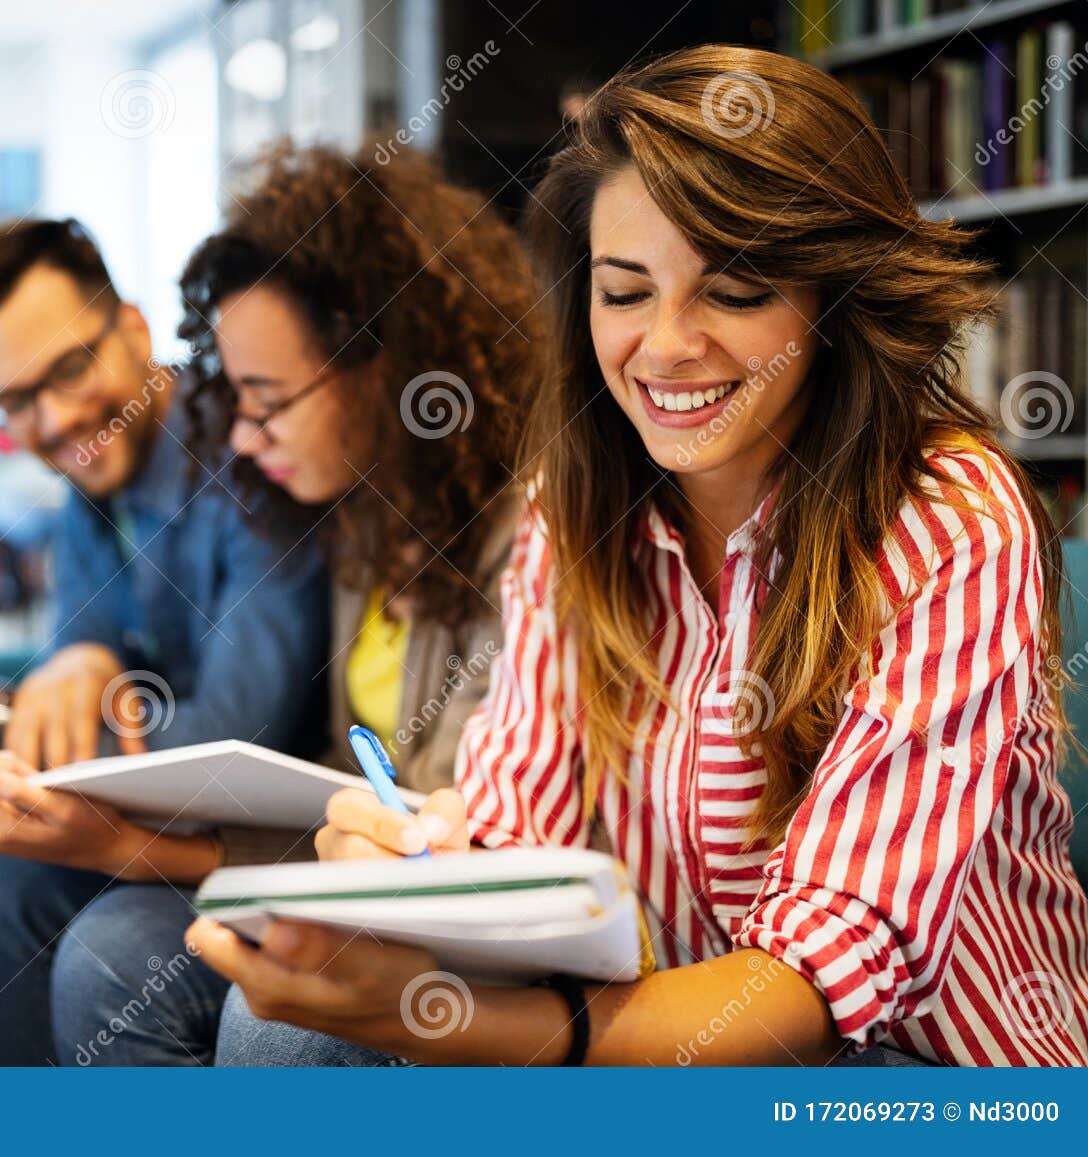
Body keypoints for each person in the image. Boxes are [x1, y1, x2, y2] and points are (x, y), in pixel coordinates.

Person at [192, 45, 1088, 1067]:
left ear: (837, 303)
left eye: (735, 292)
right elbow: (514, 822)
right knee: (278, 1027)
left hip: (910, 1070)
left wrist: (490, 1022)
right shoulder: (569, 509)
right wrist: (418, 865)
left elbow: (816, 983)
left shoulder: (947, 519)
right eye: (624, 292)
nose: (663, 345)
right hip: (661, 1041)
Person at [0, 141, 543, 1065]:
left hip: (422, 889)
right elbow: (343, 771)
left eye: (267, 401)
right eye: (13, 402)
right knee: (5, 870)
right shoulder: (360, 515)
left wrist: (104, 824)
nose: (246, 436)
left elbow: (425, 836)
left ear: (382, 365)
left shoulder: (511, 537)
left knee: (129, 964)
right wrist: (78, 668)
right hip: (324, 852)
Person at [0, 218, 329, 1065]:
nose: (57, 416)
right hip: (162, 791)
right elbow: (84, 664)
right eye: (16, 401)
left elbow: (236, 738)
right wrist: (76, 667)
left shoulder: (251, 457)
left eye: (68, 368)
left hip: (268, 812)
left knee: (1, 857)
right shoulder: (92, 492)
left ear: (135, 329)